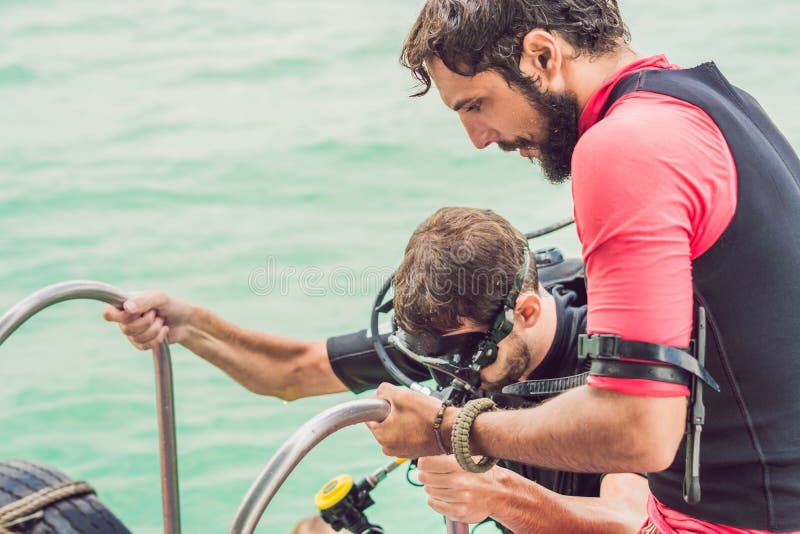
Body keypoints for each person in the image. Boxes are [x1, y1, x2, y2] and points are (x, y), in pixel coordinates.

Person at [367, 1, 800, 533]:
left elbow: (636, 429)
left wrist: (451, 428)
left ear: (542, 55)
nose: (478, 138)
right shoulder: (714, 106)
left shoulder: (622, 147)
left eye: (477, 104)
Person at [103, 207, 648, 533]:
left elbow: (632, 523)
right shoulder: (454, 336)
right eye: (434, 357)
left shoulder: (616, 359)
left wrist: (497, 494)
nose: (456, 377)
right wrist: (190, 325)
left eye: (465, 359)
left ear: (524, 313)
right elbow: (289, 372)